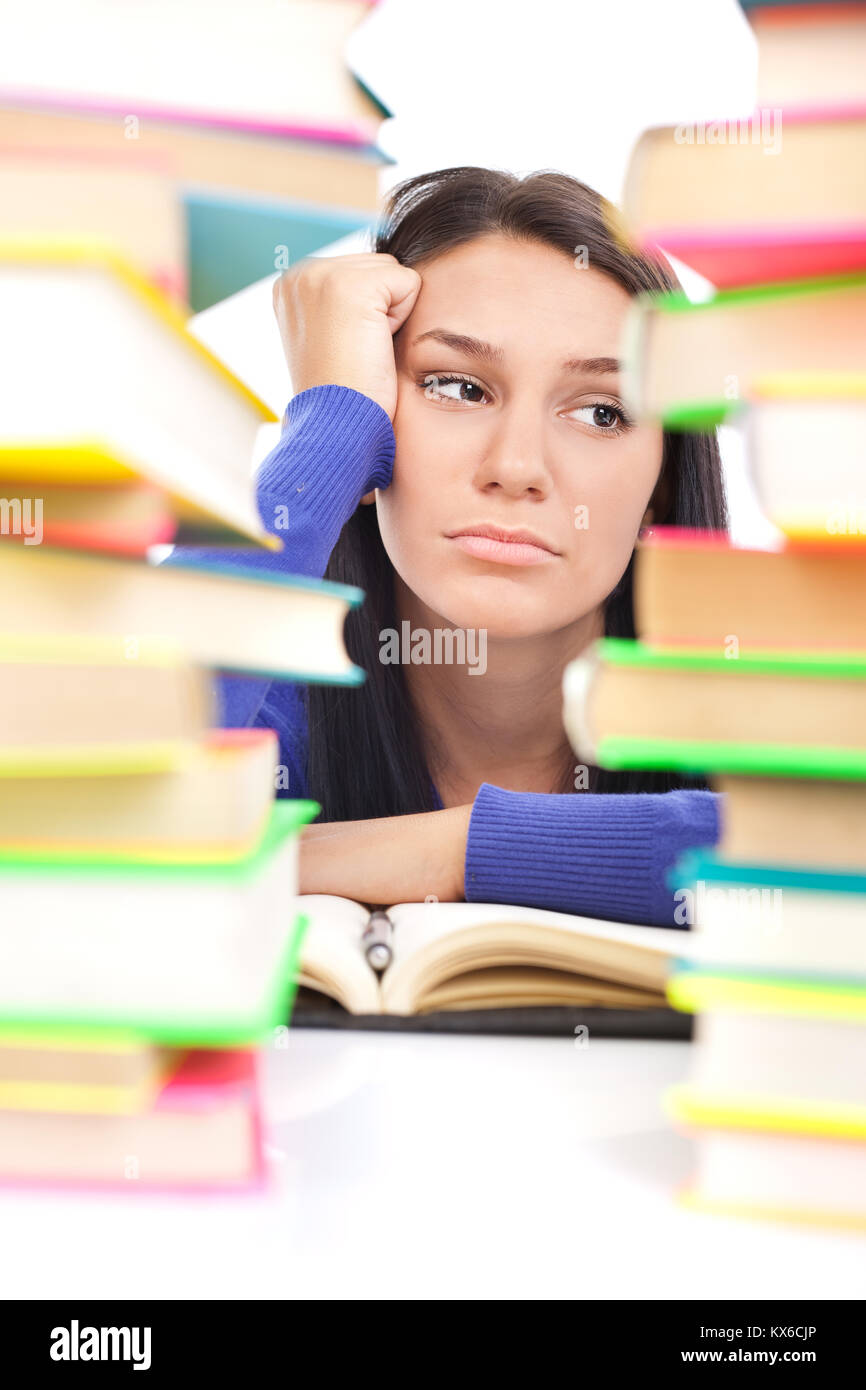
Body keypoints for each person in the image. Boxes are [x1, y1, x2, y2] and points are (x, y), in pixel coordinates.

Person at [177, 166, 727, 924]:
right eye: (458, 387)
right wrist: (332, 422)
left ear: (660, 492)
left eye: (601, 412)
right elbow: (79, 792)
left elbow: (812, 846)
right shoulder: (264, 718)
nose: (515, 469)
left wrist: (446, 848)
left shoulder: (755, 703)